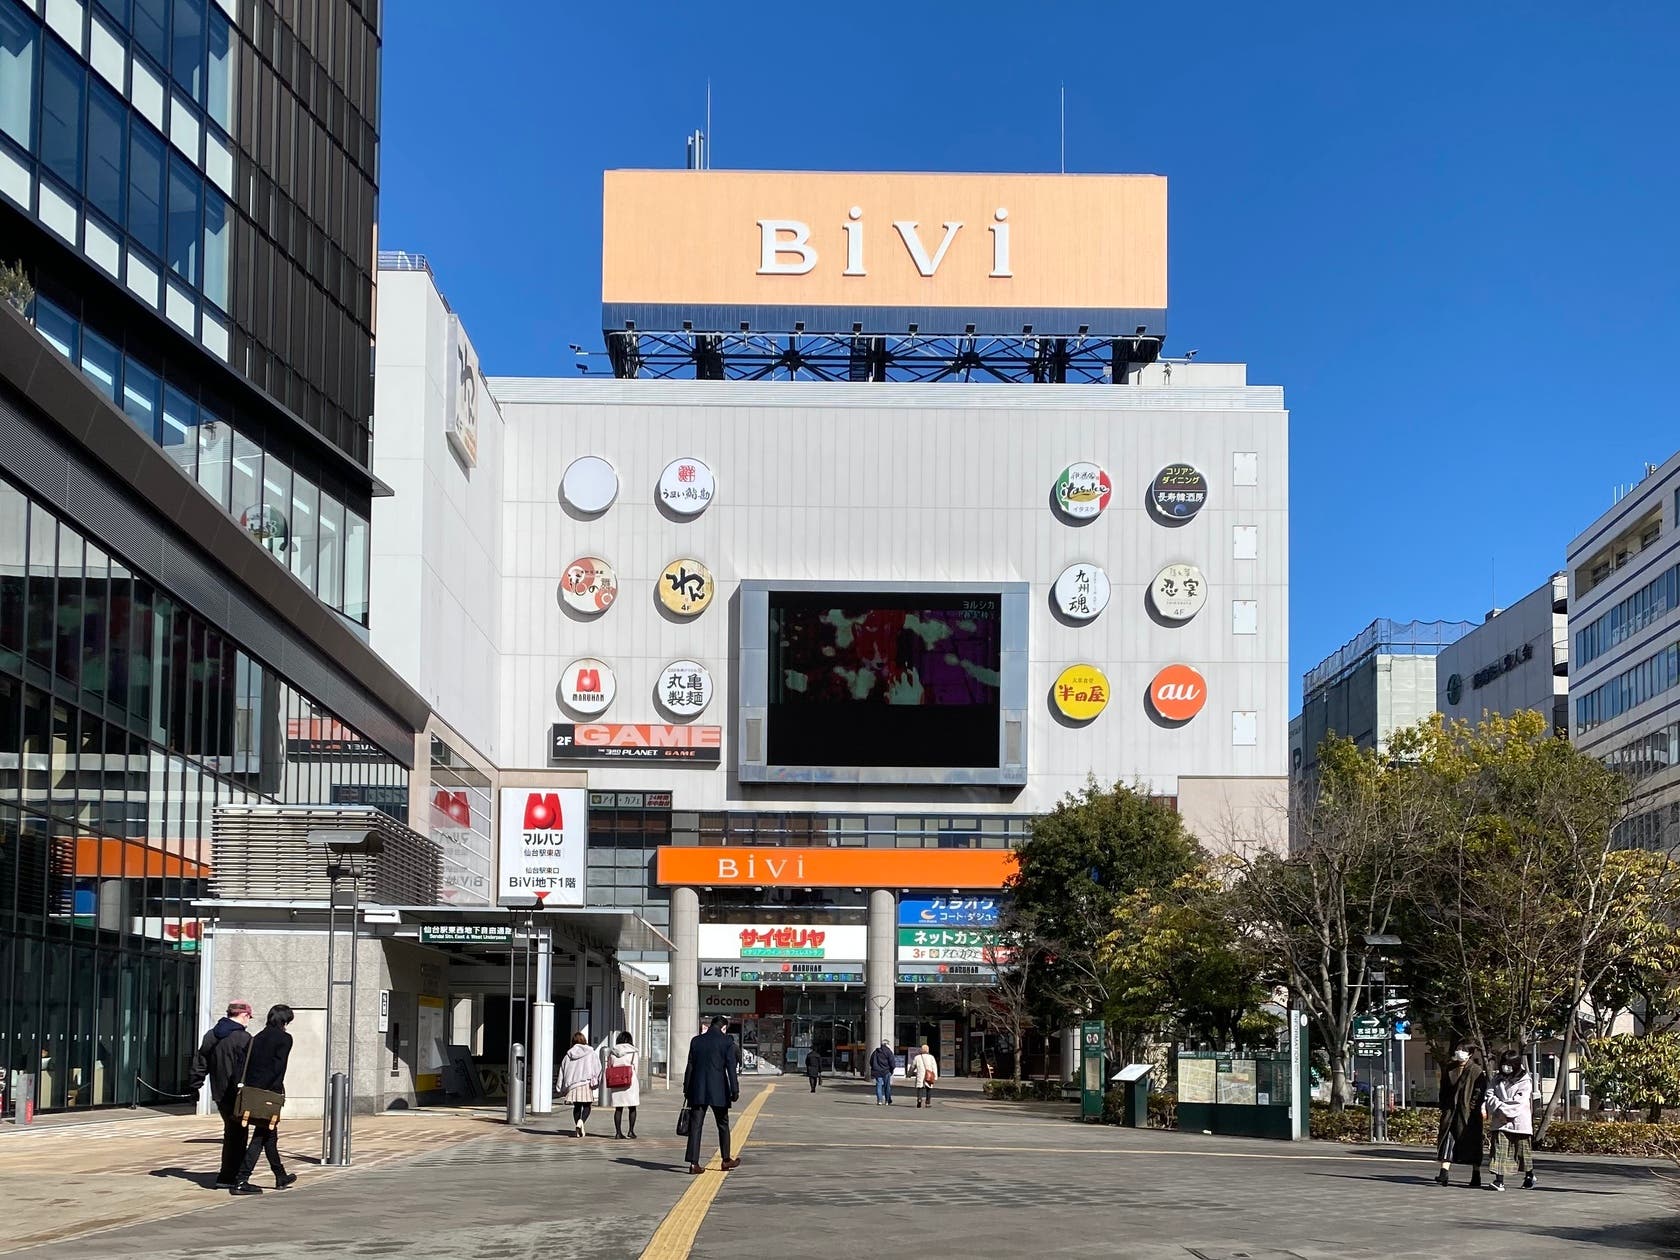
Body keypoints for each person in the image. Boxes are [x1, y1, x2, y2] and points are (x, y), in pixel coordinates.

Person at [230, 1005, 297, 1195]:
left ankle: (280, 1175)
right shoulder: (284, 1039)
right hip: (268, 1095)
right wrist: (275, 1095)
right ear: (284, 1021)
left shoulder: (256, 1038)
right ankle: (241, 1180)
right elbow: (278, 1068)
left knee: (269, 1136)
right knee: (260, 1138)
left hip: (252, 1092)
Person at [189, 1000, 253, 1189]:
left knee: (231, 1133)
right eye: (248, 1017)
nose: (248, 1020)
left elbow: (200, 1062)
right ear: (244, 1015)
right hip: (238, 1093)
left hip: (219, 1092)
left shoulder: (211, 1035)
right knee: (238, 1135)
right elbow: (248, 1068)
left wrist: (195, 1085)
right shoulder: (244, 1038)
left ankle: (228, 1175)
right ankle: (230, 1176)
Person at [683, 1014, 741, 1174]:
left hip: (698, 1089)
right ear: (723, 1027)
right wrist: (734, 1089)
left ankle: (693, 1163)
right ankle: (726, 1160)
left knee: (696, 1126)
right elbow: (731, 1068)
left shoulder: (696, 1041)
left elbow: (690, 1066)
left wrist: (686, 1089)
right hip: (719, 1091)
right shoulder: (727, 1042)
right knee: (722, 1124)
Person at [1434, 1043, 1487, 1188]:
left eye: (1463, 1050)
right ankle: (1443, 1172)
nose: (1460, 1052)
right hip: (1451, 1111)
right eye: (1458, 1049)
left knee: (1472, 1143)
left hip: (1469, 1114)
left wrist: (1472, 1107)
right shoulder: (1450, 1068)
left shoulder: (1476, 1071)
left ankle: (1476, 1174)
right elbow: (1444, 1089)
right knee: (1447, 1139)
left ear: (1470, 1054)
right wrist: (1444, 1106)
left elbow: (1479, 1091)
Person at [1485, 1048, 1537, 1191]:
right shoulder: (1496, 1078)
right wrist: (1499, 1109)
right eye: (1503, 1063)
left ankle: (1529, 1175)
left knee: (1522, 1153)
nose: (1505, 1067)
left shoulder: (1525, 1080)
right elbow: (1489, 1095)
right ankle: (1499, 1181)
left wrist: (1504, 1111)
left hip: (1519, 1122)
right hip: (1500, 1121)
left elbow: (1519, 1102)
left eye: (1509, 1064)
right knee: (1499, 1149)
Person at [559, 1030, 603, 1137]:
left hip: (574, 1085)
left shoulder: (568, 1055)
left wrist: (560, 1086)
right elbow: (598, 1068)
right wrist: (598, 1081)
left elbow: (562, 1070)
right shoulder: (591, 1053)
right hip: (586, 1084)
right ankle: (581, 1122)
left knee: (577, 1107)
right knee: (587, 1106)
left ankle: (578, 1125)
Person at [605, 1032, 640, 1139]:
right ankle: (631, 1131)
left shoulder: (613, 1052)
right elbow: (636, 1068)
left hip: (616, 1080)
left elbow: (609, 1065)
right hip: (630, 1081)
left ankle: (618, 1132)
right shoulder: (633, 1052)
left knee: (618, 1108)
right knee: (632, 1107)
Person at [909, 1043, 938, 1109]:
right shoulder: (931, 1057)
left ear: (921, 1050)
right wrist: (935, 1076)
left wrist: (909, 1074)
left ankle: (919, 1100)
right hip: (929, 1075)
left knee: (920, 1088)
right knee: (929, 1089)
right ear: (928, 1050)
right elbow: (934, 1067)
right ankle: (928, 1102)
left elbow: (912, 1066)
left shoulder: (917, 1057)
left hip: (920, 1074)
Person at [870, 1039, 897, 1106]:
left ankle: (879, 1100)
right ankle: (887, 1100)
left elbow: (871, 1061)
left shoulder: (876, 1052)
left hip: (877, 1071)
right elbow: (892, 1062)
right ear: (887, 1044)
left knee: (879, 1086)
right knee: (887, 1086)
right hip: (886, 1071)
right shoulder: (889, 1052)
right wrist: (891, 1070)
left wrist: (874, 1068)